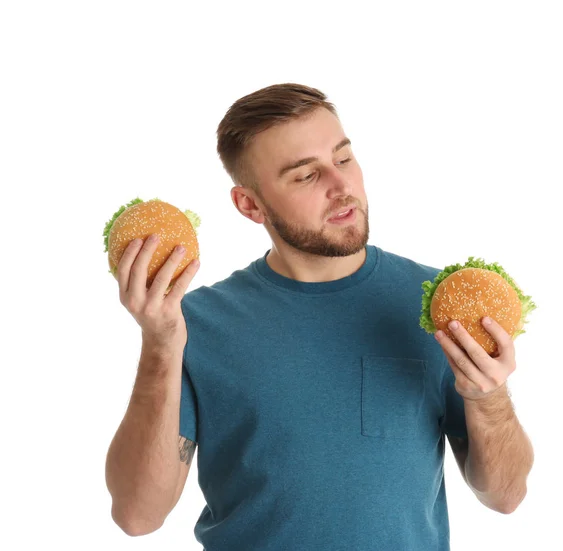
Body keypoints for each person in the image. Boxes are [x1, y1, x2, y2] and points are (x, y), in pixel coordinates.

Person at [105, 83, 534, 550]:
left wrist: (489, 397)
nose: (341, 186)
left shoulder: (435, 306)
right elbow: (137, 516)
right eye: (306, 175)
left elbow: (506, 497)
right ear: (250, 205)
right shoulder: (196, 322)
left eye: (344, 158)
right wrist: (161, 343)